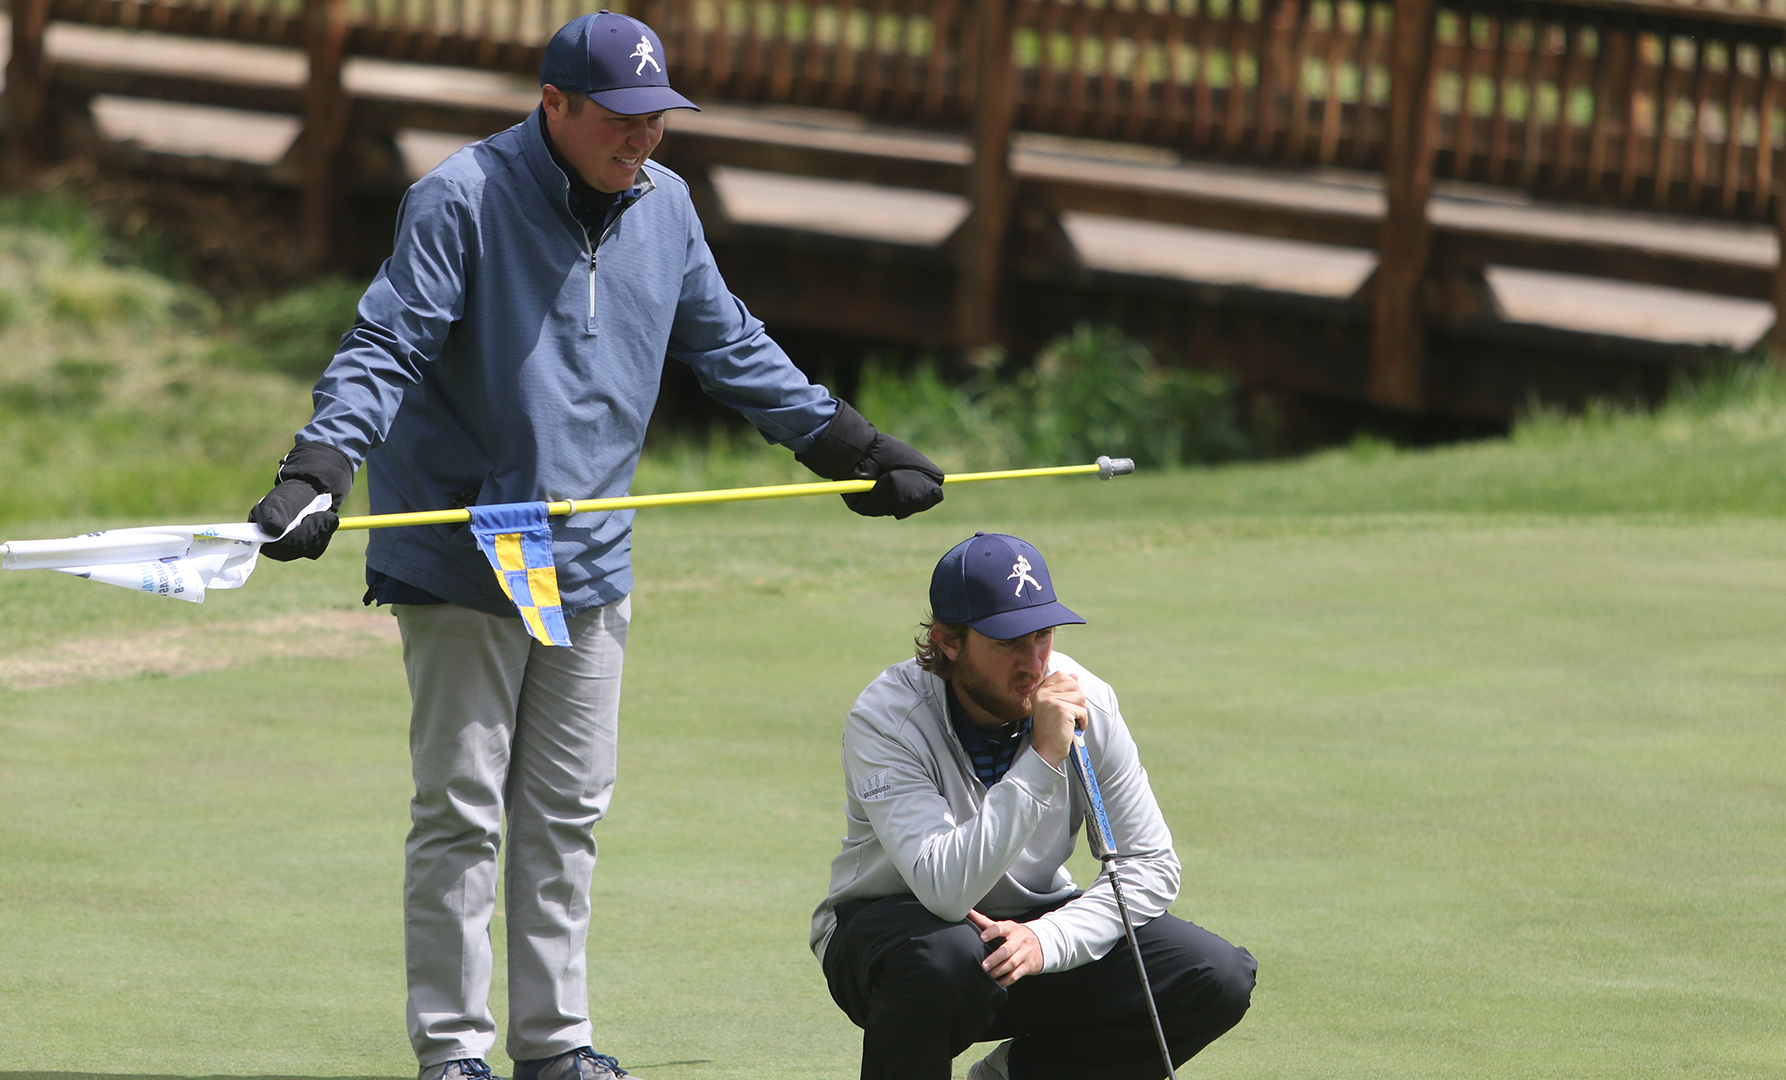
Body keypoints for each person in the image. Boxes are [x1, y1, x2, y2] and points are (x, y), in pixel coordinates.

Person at [246, 11, 945, 1080]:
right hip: (473, 549)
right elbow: (387, 339)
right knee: (464, 813)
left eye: (657, 119)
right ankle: (453, 1054)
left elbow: (729, 342)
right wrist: (319, 466)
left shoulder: (664, 205)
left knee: (567, 814)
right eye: (619, 119)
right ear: (555, 104)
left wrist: (844, 445)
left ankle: (557, 1046)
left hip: (587, 556)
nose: (641, 140)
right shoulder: (461, 200)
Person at [811, 533, 1255, 1080]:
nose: (1033, 663)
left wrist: (1047, 939)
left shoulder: (1085, 696)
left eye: (1042, 635)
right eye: (1007, 642)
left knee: (1215, 974)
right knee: (943, 959)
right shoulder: (887, 718)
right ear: (948, 641)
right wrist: (1044, 754)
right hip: (894, 935)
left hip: (1023, 934)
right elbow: (944, 890)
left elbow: (1151, 866)